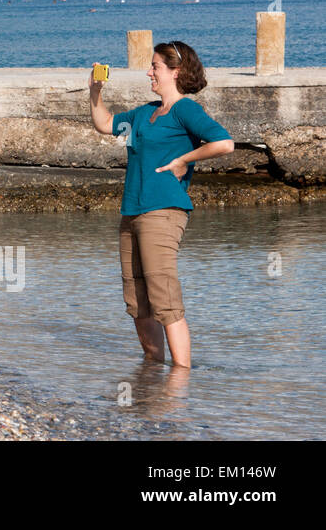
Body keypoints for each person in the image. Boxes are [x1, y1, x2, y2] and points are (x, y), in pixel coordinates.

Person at [89, 41, 235, 369]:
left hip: (164, 211)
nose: (149, 72)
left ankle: (180, 382)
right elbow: (105, 124)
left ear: (175, 72)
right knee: (138, 301)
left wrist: (184, 158)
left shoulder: (186, 110)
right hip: (132, 212)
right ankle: (152, 373)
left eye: (155, 66)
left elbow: (224, 143)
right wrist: (95, 92)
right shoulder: (143, 114)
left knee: (164, 298)